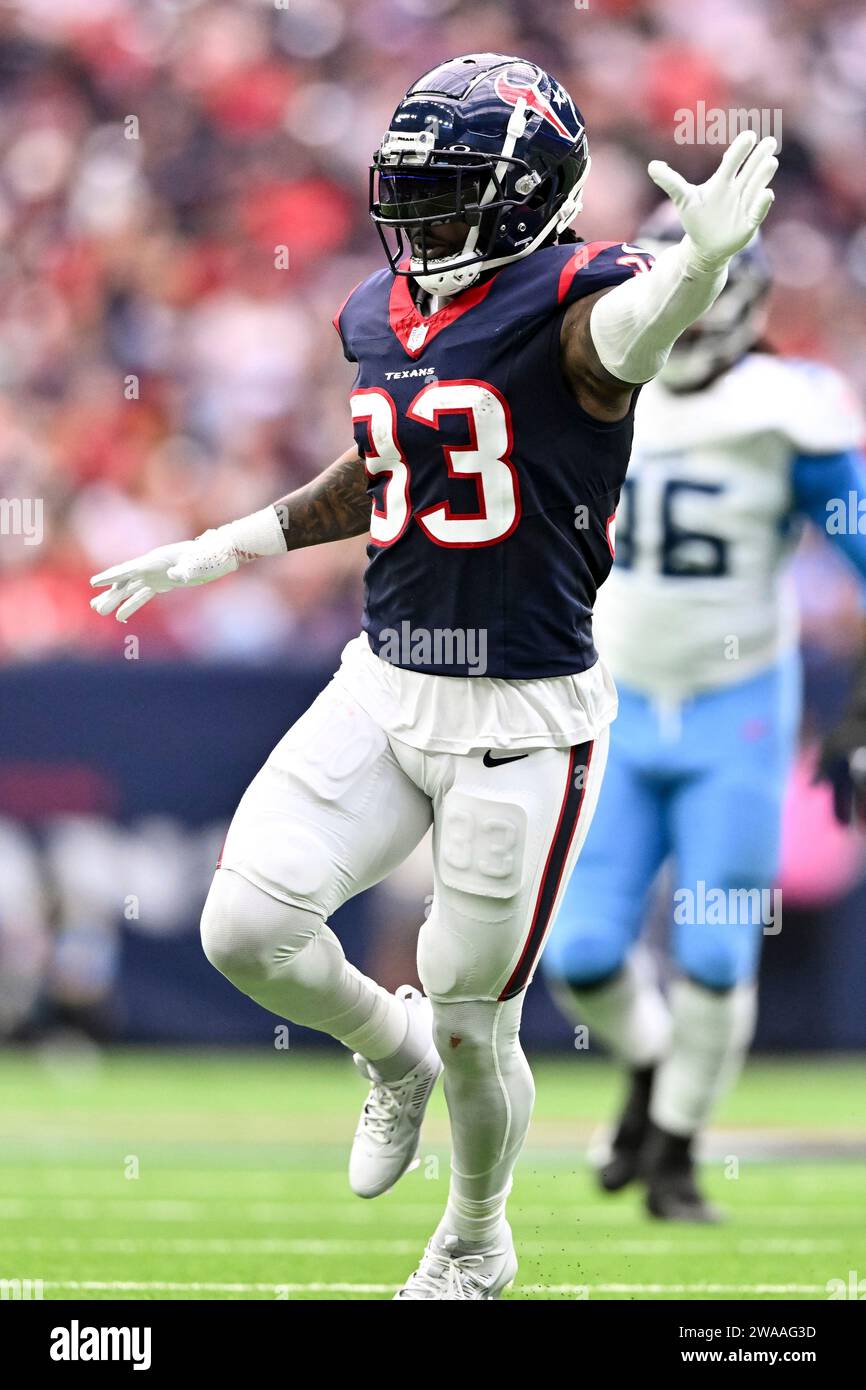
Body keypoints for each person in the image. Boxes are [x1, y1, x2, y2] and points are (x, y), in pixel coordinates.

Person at [90, 52, 777, 1298]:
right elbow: (390, 463)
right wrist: (225, 546)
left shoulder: (579, 302)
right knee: (244, 925)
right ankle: (384, 1046)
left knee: (479, 1025)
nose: (415, 219)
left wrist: (699, 268)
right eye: (408, 189)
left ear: (526, 196)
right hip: (385, 676)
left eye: (448, 192)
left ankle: (473, 1235)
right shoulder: (381, 312)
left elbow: (625, 340)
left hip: (520, 715)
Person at [544, 204, 866, 1223]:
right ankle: (648, 1070)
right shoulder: (591, 391)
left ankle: (676, 1152)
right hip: (619, 702)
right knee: (581, 951)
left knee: (717, 947)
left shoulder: (787, 407)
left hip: (737, 710)